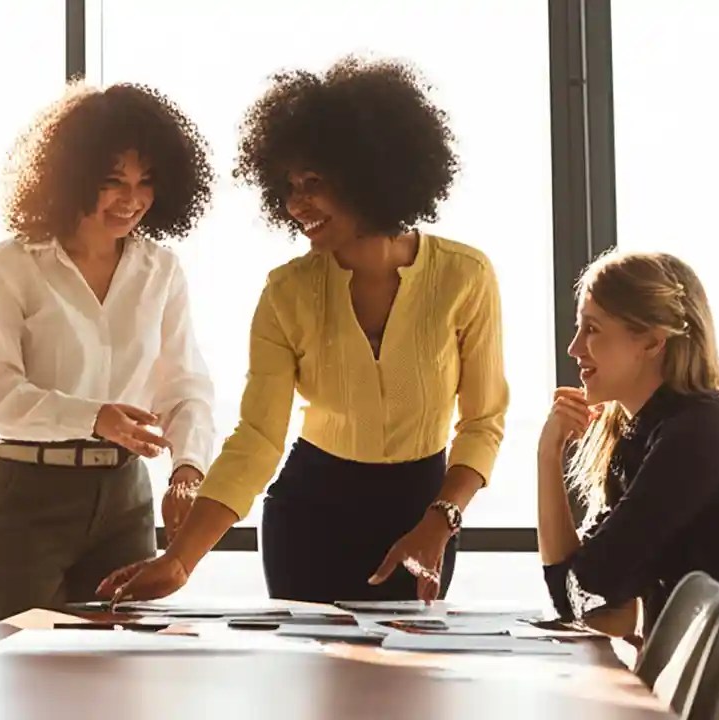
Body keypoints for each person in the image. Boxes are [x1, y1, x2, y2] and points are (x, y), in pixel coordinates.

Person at [100, 55, 508, 604]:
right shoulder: (285, 292)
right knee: (311, 687)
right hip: (310, 517)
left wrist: (442, 518)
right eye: (288, 186)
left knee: (412, 686)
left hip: (426, 516)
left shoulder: (466, 275)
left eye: (313, 182)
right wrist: (180, 562)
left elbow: (483, 422)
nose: (296, 203)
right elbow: (259, 438)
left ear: (371, 172)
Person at [0, 81, 216, 627]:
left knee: (118, 684)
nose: (132, 200)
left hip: (125, 499)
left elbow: (185, 386)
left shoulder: (162, 271)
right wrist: (94, 418)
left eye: (146, 182)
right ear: (71, 177)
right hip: (25, 499)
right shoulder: (11, 265)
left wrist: (188, 469)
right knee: (19, 687)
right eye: (112, 182)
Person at [535, 250, 719, 719]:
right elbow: (588, 601)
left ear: (650, 341)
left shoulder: (703, 429)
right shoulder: (639, 435)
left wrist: (598, 593)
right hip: (701, 675)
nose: (574, 348)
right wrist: (547, 458)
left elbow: (587, 588)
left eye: (593, 329)